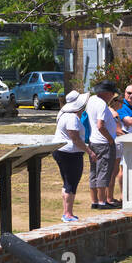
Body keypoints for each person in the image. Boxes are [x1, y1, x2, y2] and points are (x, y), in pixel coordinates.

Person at [52, 90, 94, 223]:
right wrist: (89, 151)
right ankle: (68, 213)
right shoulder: (71, 118)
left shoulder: (63, 114)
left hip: (61, 151)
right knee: (71, 182)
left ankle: (67, 212)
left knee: (67, 182)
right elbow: (75, 138)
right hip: (70, 153)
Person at [85, 81, 119, 209]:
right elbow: (101, 126)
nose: (112, 96)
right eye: (112, 94)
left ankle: (94, 201)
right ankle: (102, 202)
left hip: (93, 141)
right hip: (103, 143)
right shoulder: (101, 104)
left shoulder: (92, 100)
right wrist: (110, 139)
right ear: (107, 93)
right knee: (103, 172)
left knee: (94, 171)